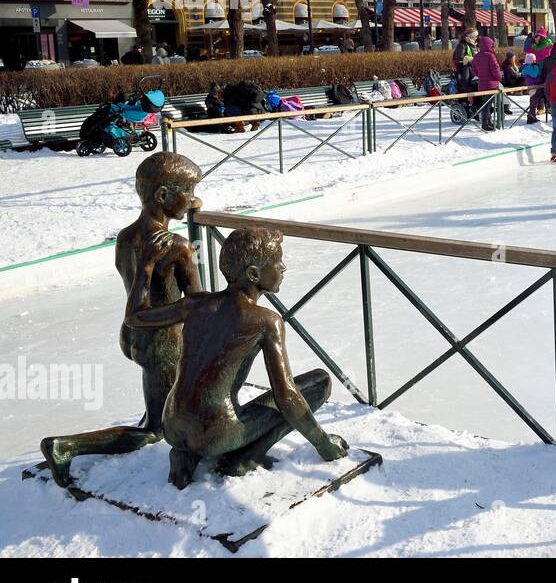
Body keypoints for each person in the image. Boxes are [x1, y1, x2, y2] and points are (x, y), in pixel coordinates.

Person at [123, 226, 348, 488]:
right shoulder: (267, 321)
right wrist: (324, 444)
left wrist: (146, 264)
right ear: (253, 273)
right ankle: (241, 458)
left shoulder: (196, 303)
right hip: (215, 433)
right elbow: (286, 396)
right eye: (277, 262)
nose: (283, 267)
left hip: (172, 425)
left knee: (210, 409)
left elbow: (135, 317)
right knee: (318, 383)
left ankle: (185, 454)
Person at [40, 154, 204, 488]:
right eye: (188, 191)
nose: (191, 199)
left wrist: (187, 200)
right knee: (156, 430)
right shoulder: (178, 247)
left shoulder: (126, 236)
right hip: (164, 340)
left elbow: (131, 281)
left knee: (153, 414)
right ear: (162, 195)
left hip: (132, 336)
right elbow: (197, 302)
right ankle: (67, 446)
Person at [470, 35, 502, 131]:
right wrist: (499, 77)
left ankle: (487, 122)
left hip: (482, 84)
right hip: (492, 84)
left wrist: (481, 76)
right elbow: (496, 70)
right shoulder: (490, 56)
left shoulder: (476, 56)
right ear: (489, 45)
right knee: (488, 105)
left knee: (485, 104)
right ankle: (486, 123)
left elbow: (474, 70)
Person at [522, 52, 544, 124]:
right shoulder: (528, 67)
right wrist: (537, 67)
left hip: (534, 85)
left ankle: (532, 116)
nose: (535, 61)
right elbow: (535, 75)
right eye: (534, 60)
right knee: (533, 102)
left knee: (534, 101)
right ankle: (531, 117)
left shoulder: (528, 67)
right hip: (533, 86)